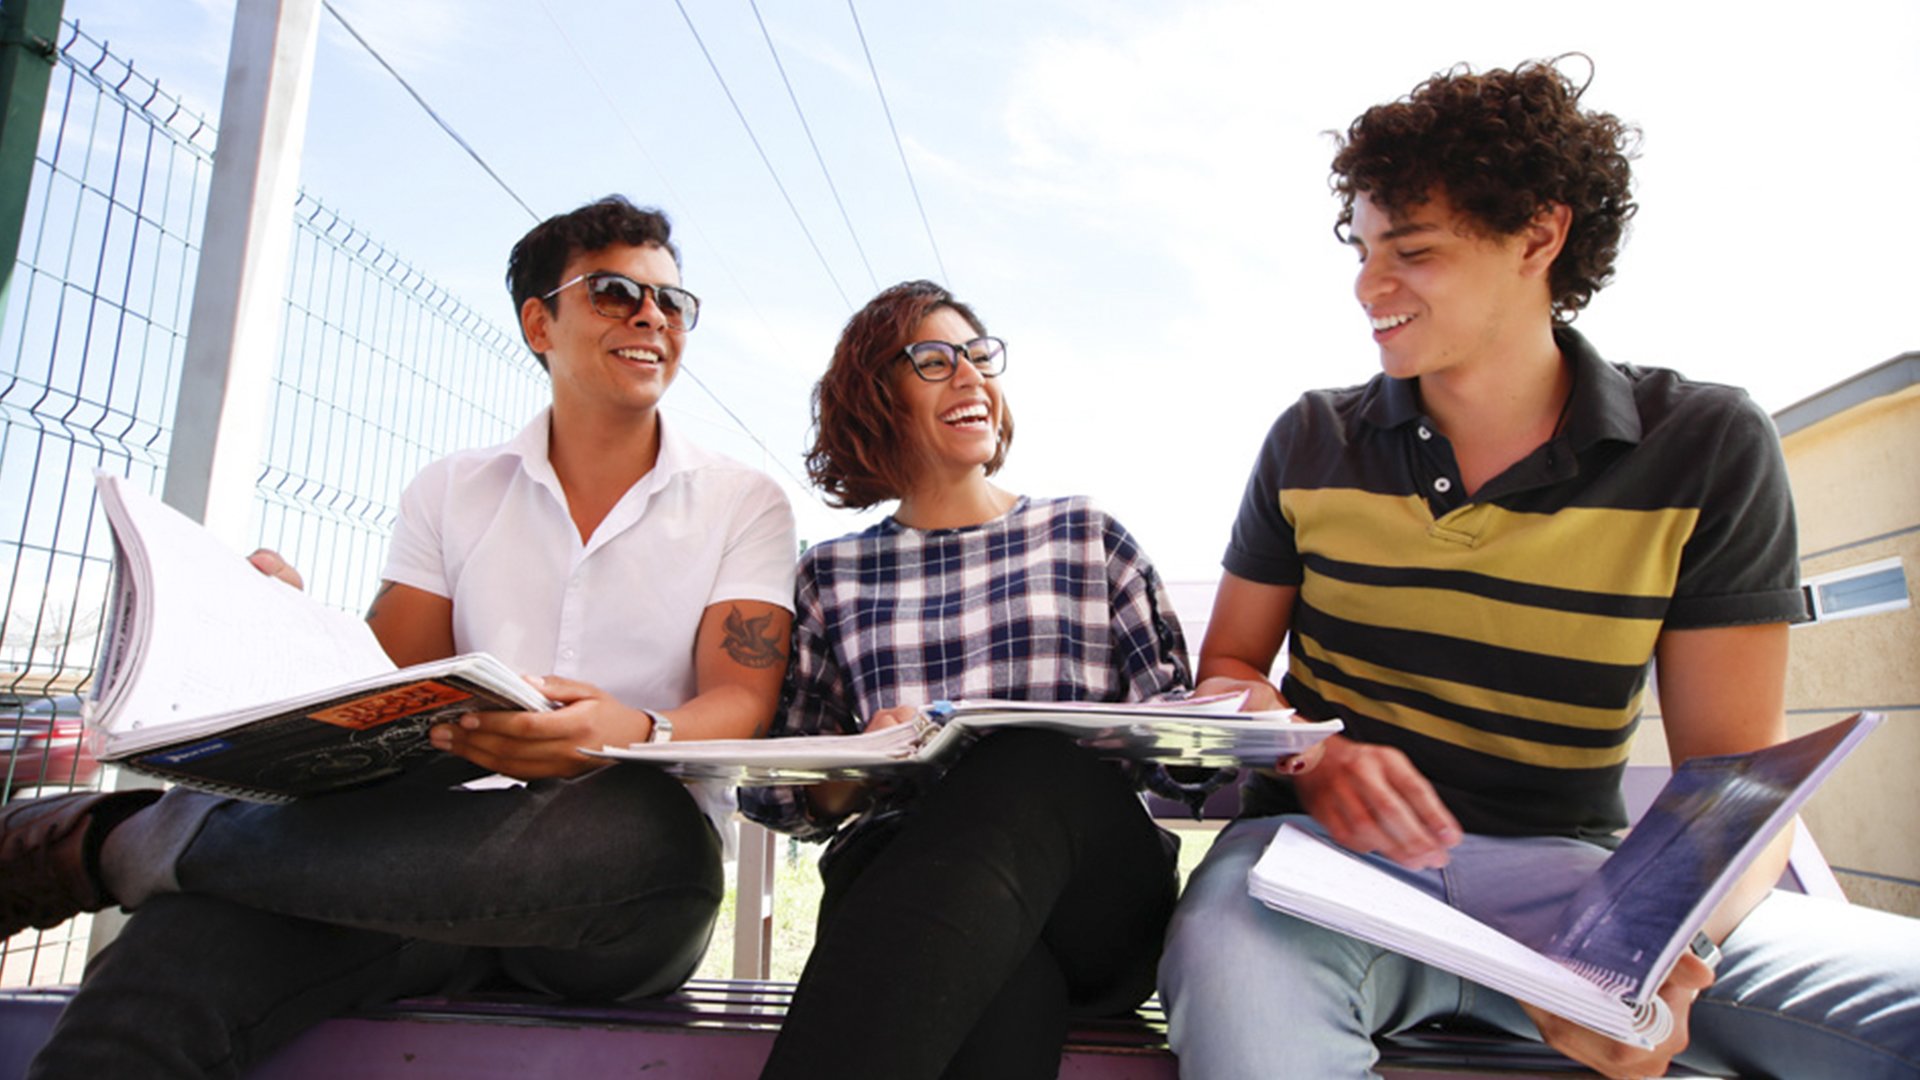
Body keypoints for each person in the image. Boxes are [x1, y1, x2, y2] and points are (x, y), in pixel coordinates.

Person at [1157, 60, 1920, 1079]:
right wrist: (1315, 757)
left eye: (1413, 251)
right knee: (1235, 975)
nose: (1369, 286)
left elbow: (1734, 782)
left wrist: (1663, 949)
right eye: (1366, 251)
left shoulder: (1705, 445)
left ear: (1539, 236)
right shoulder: (1310, 441)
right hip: (1312, 876)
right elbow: (1229, 674)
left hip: (1577, 889)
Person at [0, 195, 798, 1077]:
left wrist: (635, 731)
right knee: (175, 955)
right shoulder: (450, 490)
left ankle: (113, 842)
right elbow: (388, 683)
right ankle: (141, 853)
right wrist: (283, 633)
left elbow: (744, 699)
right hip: (402, 863)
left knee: (644, 824)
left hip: (615, 892)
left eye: (672, 301)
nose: (652, 317)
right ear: (540, 323)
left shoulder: (742, 501)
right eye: (616, 292)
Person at [740, 280, 1196, 1079]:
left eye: (979, 356)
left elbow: (1189, 761)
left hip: (1093, 902)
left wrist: (1203, 727)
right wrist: (864, 759)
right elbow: (779, 795)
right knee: (994, 977)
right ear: (874, 397)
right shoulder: (832, 576)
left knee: (1025, 762)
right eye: (934, 360)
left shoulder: (1085, 536)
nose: (970, 376)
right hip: (914, 897)